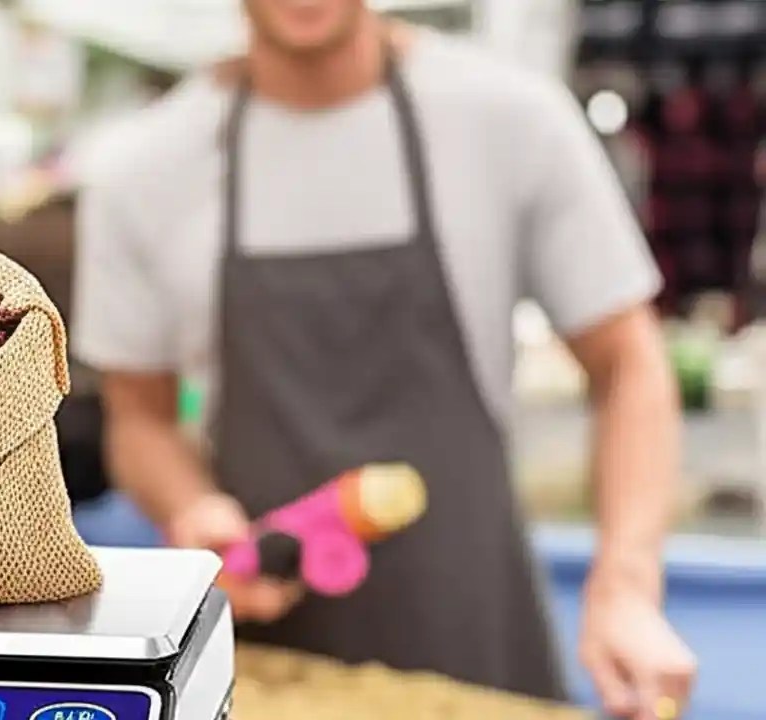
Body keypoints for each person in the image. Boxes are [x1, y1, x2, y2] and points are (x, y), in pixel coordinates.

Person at [71, 2, 696, 718]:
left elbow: (629, 364)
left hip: (479, 643)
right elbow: (139, 417)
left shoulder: (512, 121)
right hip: (266, 665)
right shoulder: (145, 168)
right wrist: (191, 509)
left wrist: (625, 585)